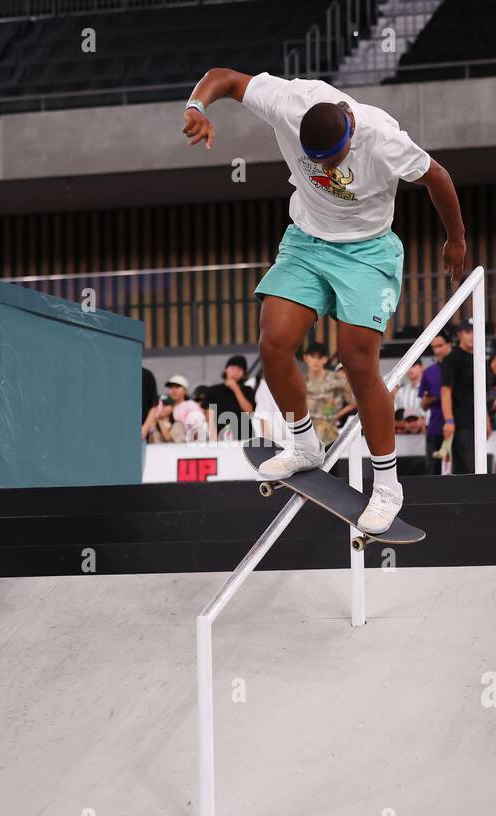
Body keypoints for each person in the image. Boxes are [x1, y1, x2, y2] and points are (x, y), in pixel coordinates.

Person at [182, 67, 467, 533]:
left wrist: (455, 238)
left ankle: (388, 486)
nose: (328, 171)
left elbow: (437, 177)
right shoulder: (290, 102)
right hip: (308, 241)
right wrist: (196, 106)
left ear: (350, 134)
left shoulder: (382, 136)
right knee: (274, 343)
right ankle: (304, 445)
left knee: (356, 361)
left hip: (368, 251)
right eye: (319, 162)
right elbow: (224, 78)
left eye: (333, 161)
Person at [439, 319, 479, 474]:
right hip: (460, 422)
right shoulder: (452, 359)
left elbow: (480, 393)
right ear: (460, 334)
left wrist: (486, 419)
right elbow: (445, 391)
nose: (472, 336)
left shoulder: (480, 358)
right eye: (468, 332)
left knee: (478, 465)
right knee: (465, 467)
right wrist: (449, 420)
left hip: (477, 421)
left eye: (474, 331)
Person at [303, 342, 356, 445]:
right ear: (306, 358)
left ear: (325, 359)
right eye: (312, 356)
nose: (316, 361)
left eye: (320, 357)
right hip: (308, 438)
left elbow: (353, 402)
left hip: (330, 438)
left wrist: (337, 414)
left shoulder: (337, 380)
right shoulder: (301, 382)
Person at [417, 330, 452, 474]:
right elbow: (423, 405)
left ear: (449, 344)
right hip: (435, 428)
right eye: (434, 347)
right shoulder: (429, 372)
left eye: (440, 346)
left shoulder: (461, 367)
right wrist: (435, 397)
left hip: (459, 427)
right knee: (433, 473)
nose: (437, 350)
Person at [202, 355, 256, 440]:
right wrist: (214, 439)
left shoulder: (248, 390)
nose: (235, 372)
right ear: (226, 369)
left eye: (239, 370)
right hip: (221, 437)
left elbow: (249, 411)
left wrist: (236, 389)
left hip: (245, 437)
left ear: (243, 374)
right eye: (232, 368)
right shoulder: (213, 390)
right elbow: (210, 416)